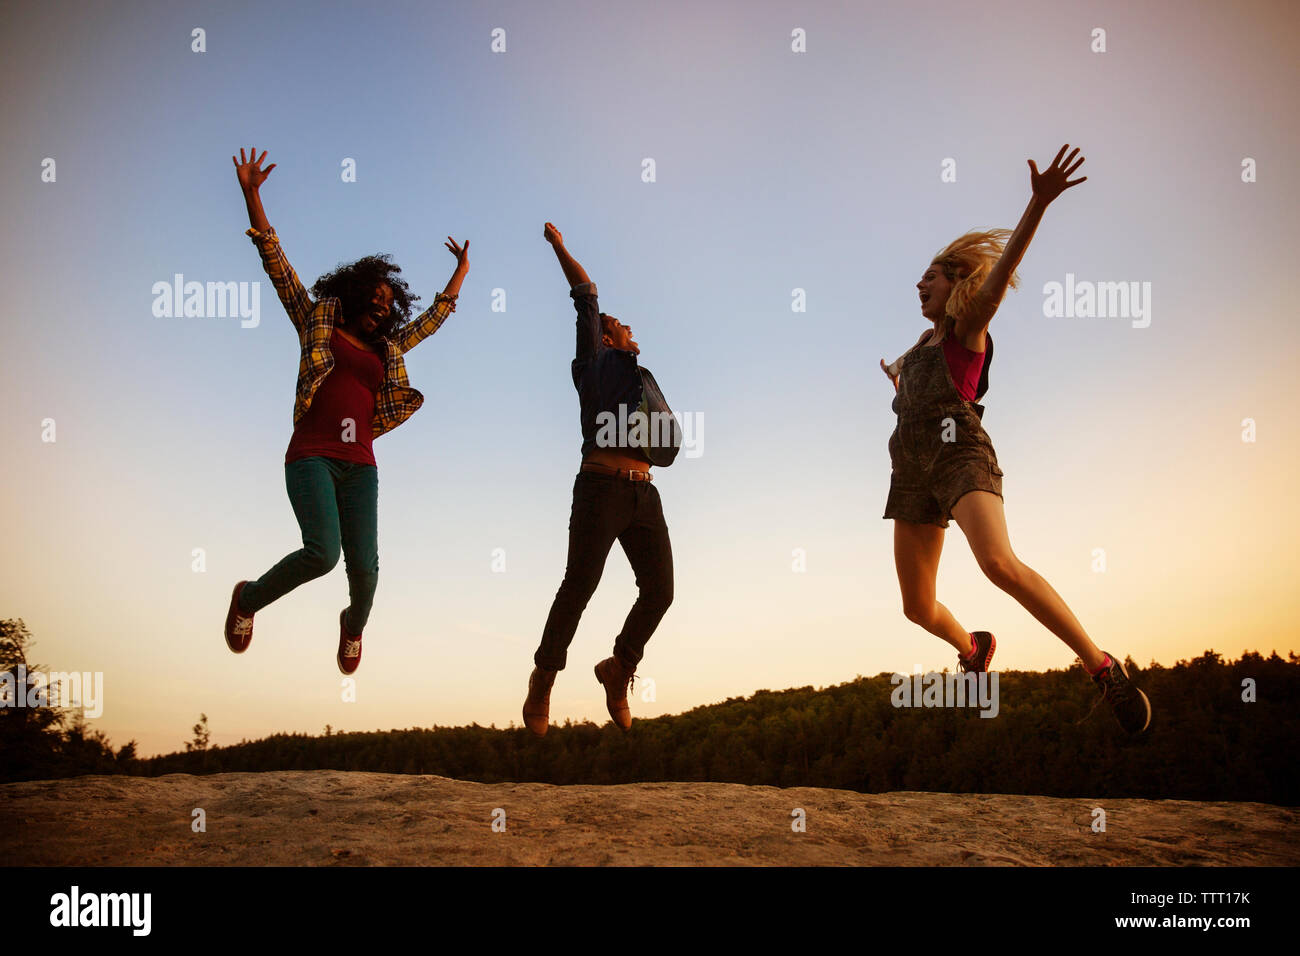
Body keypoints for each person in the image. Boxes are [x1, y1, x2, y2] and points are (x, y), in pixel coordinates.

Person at [879, 144, 1151, 734]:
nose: (918, 283)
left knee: (998, 563)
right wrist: (897, 377)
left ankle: (1101, 667)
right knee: (916, 608)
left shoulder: (967, 325)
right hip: (912, 474)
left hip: (961, 458)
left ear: (956, 284)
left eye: (931, 274)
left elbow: (996, 286)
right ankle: (973, 649)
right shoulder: (916, 350)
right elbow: (915, 394)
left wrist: (1038, 204)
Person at [222, 147, 469, 676]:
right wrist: (252, 196)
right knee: (322, 553)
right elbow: (277, 265)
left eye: (388, 300)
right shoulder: (318, 321)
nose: (382, 305)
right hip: (311, 455)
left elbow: (432, 320)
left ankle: (352, 625)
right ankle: (248, 600)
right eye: (374, 296)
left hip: (361, 465)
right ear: (355, 294)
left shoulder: (389, 349)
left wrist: (460, 274)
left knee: (366, 572)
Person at [523, 222, 677, 736]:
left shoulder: (642, 377)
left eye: (623, 325)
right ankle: (544, 675)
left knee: (660, 590)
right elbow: (585, 295)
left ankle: (619, 668)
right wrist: (560, 248)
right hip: (600, 488)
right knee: (580, 584)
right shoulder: (593, 361)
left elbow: (667, 438)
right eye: (618, 324)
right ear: (607, 335)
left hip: (644, 493)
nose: (625, 326)